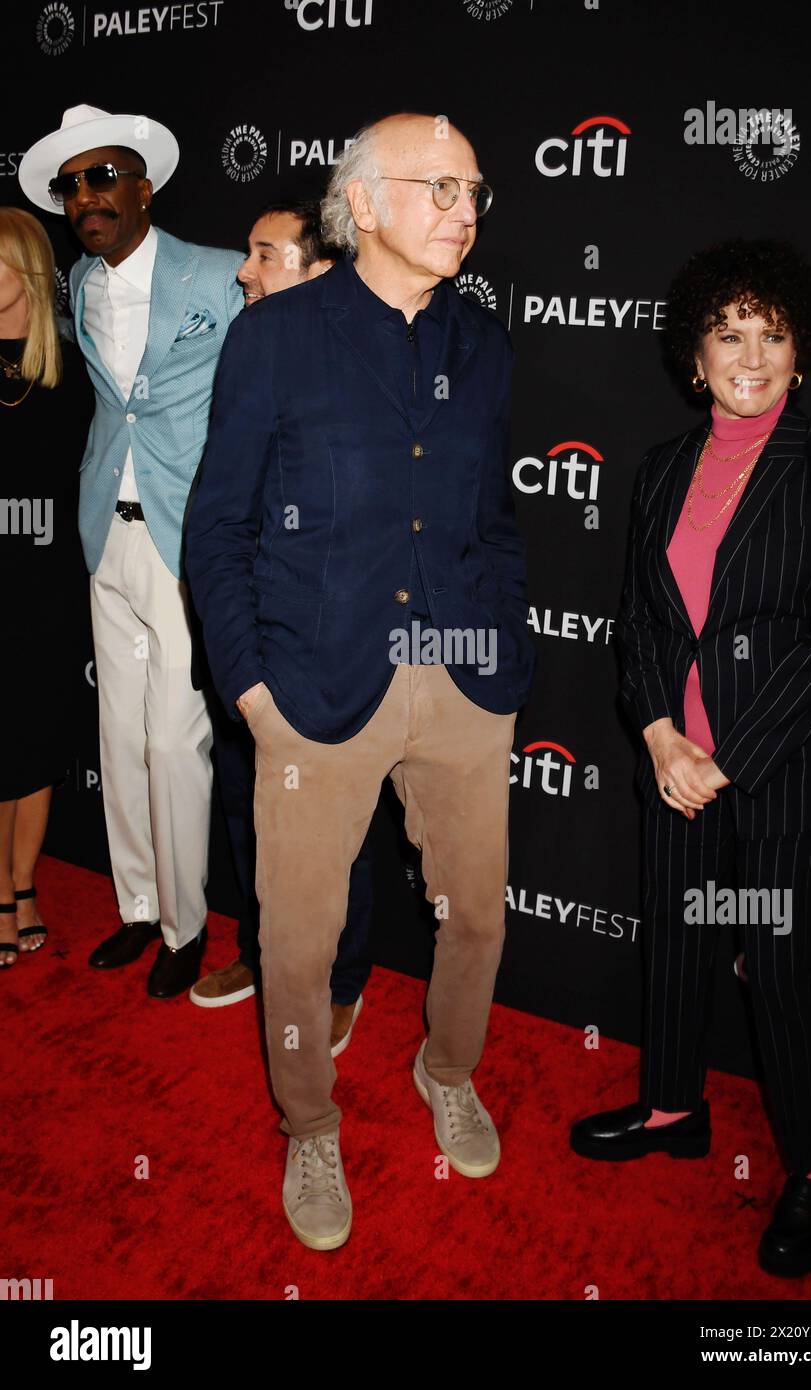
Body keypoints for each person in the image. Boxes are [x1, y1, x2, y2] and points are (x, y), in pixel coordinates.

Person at [185, 112, 536, 1250]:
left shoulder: (485, 345)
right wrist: (249, 689)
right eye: (438, 188)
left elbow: (494, 520)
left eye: (472, 188)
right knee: (293, 941)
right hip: (314, 687)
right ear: (366, 203)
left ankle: (449, 1068)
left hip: (463, 683)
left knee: (473, 914)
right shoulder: (275, 337)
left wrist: (499, 650)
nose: (465, 208)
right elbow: (219, 526)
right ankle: (308, 1125)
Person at [570, 239, 811, 1279]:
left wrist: (726, 757)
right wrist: (662, 734)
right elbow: (645, 624)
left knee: (779, 968)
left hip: (786, 767)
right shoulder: (661, 469)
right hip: (677, 760)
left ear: (800, 354)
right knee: (677, 939)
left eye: (771, 335)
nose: (749, 355)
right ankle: (672, 1107)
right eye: (726, 335)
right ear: (692, 356)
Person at [18, 105, 243, 997]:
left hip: (189, 538)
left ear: (144, 186)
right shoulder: (75, 287)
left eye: (103, 176)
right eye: (72, 185)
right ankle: (139, 907)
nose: (87, 197)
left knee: (175, 739)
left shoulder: (221, 276)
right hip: (102, 532)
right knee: (119, 731)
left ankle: (187, 926)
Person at [188, 199, 372, 1058]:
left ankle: (341, 979)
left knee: (342, 830)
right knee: (242, 806)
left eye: (265, 254)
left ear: (320, 272)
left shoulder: (363, 370)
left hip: (329, 648)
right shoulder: (247, 347)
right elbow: (219, 508)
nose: (243, 271)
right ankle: (262, 955)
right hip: (241, 633)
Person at [0, 207, 93, 967]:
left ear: (28, 267)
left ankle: (23, 885)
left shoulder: (71, 364)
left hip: (51, 580)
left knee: (37, 739)